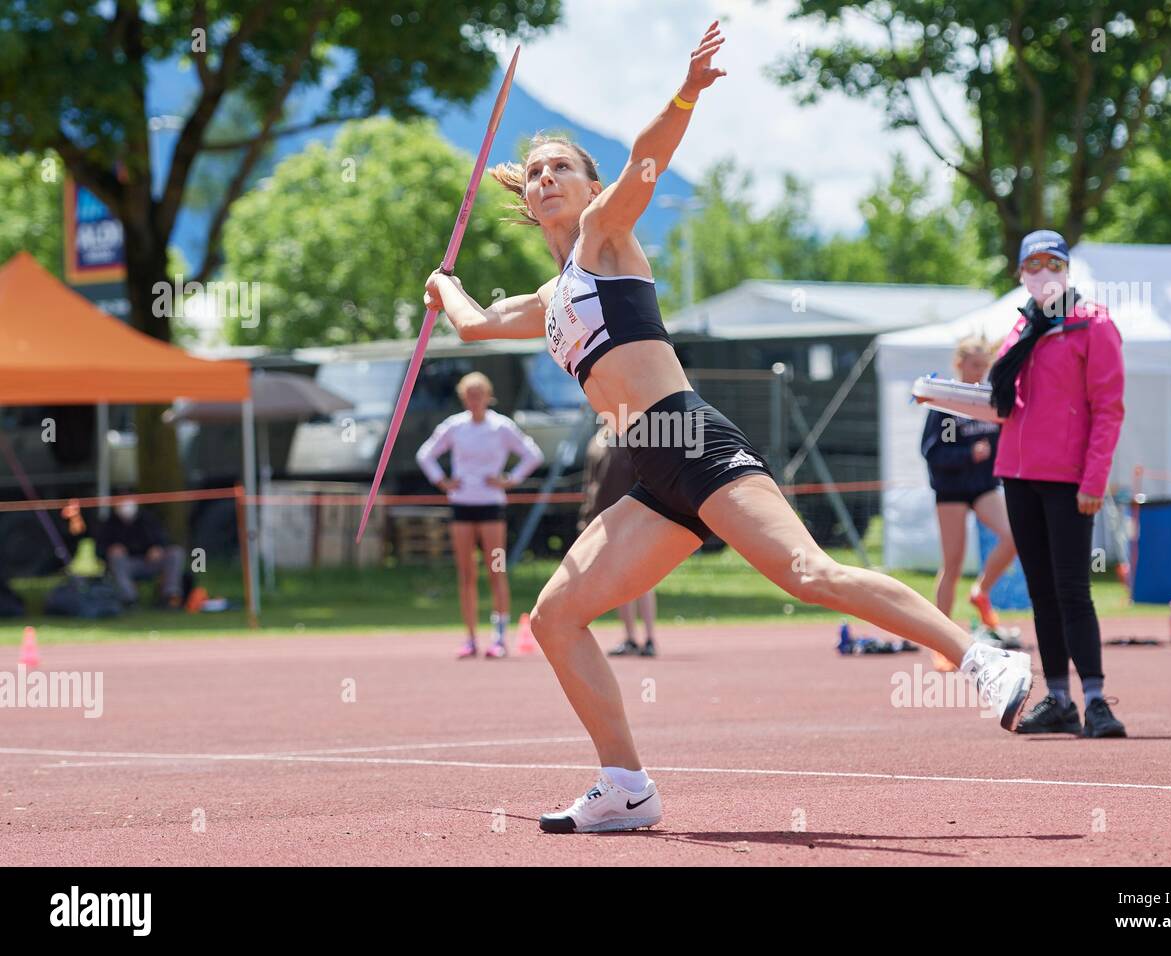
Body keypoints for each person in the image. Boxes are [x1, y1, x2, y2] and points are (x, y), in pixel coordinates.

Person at [425, 21, 1031, 835]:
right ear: (525, 199)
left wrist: (686, 94)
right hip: (650, 474)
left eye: (560, 166)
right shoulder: (551, 295)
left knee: (809, 575)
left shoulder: (607, 236)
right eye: (534, 173)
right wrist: (442, 289)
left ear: (589, 184)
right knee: (554, 617)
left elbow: (649, 156)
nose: (544, 178)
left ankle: (981, 660)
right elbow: (474, 323)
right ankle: (626, 786)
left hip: (688, 439)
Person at [988, 229, 1127, 739]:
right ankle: (1060, 699)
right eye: (1032, 265)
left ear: (1067, 269)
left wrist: (1094, 480)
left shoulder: (1094, 325)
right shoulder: (1020, 326)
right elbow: (1005, 402)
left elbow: (1107, 411)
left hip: (1069, 479)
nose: (1042, 273)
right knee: (1041, 592)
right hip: (1018, 475)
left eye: (1051, 263)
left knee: (1073, 589)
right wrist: (950, 401)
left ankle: (1096, 700)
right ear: (1021, 272)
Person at [416, 372, 543, 658]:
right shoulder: (454, 426)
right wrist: (442, 481)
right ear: (463, 397)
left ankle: (498, 638)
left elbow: (532, 454)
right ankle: (471, 638)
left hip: (491, 506)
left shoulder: (501, 427)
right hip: (462, 505)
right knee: (466, 573)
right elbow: (425, 454)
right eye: (469, 395)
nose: (474, 400)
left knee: (496, 570)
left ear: (488, 396)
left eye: (479, 394)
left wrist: (510, 479)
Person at [920, 336, 1018, 660]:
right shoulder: (947, 400)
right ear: (959, 364)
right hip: (951, 490)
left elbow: (1006, 434)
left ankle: (981, 591)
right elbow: (931, 451)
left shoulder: (987, 399)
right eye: (974, 365)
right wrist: (967, 453)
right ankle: (942, 644)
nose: (980, 371)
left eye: (984, 365)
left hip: (983, 487)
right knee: (953, 564)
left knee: (1013, 536)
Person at [577, 423, 658, 657]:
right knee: (621, 582)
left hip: (635, 520)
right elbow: (590, 485)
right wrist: (586, 518)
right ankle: (630, 637)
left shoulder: (637, 439)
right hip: (605, 522)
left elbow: (648, 482)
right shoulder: (597, 441)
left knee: (644, 580)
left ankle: (650, 637)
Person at [94, 496, 185, 608]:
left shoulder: (148, 519)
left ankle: (170, 596)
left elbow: (165, 539)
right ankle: (129, 599)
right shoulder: (108, 524)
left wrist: (158, 548)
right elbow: (99, 550)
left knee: (176, 552)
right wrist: (112, 549)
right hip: (127, 565)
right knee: (115, 557)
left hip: (150, 562)